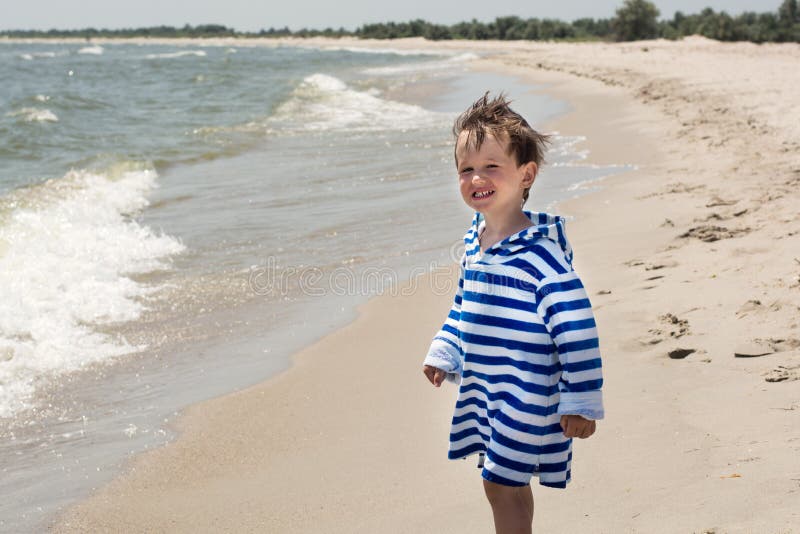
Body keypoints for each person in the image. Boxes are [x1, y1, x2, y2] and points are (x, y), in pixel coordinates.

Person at [422, 93, 604, 534]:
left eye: (491, 166)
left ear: (526, 175)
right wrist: (445, 349)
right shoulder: (475, 239)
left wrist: (581, 402)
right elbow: (465, 303)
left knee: (500, 484)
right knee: (505, 483)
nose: (476, 178)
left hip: (527, 393)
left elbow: (576, 329)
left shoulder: (541, 256)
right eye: (466, 169)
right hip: (489, 386)